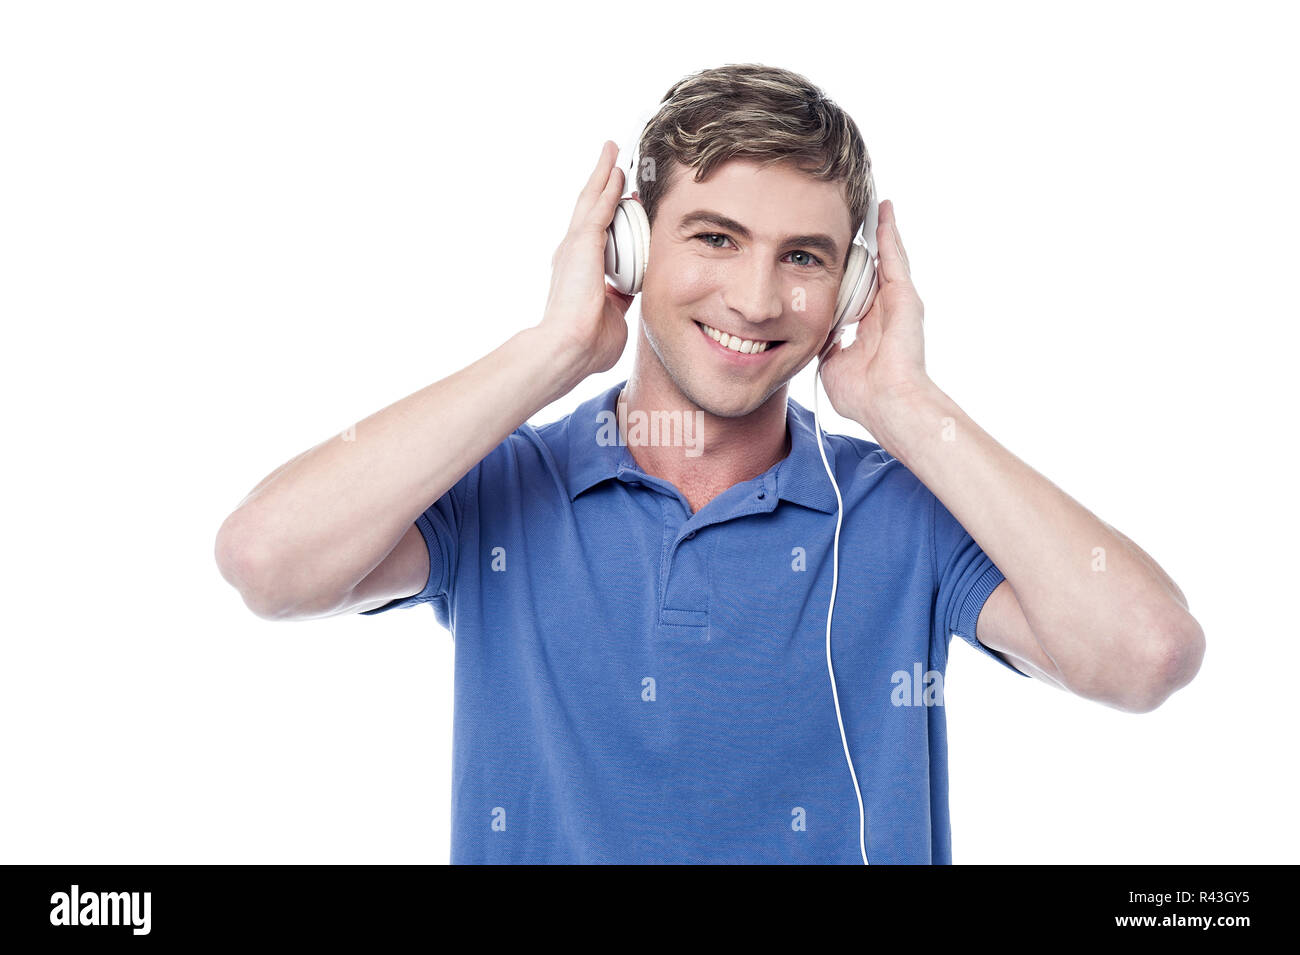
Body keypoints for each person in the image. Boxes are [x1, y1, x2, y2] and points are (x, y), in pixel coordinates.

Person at [214, 63, 1205, 864]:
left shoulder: (902, 513)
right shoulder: (501, 492)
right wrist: (553, 347)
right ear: (632, 248)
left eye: (805, 257)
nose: (757, 298)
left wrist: (906, 405)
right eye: (715, 238)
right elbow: (265, 559)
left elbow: (1146, 654)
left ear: (854, 281)